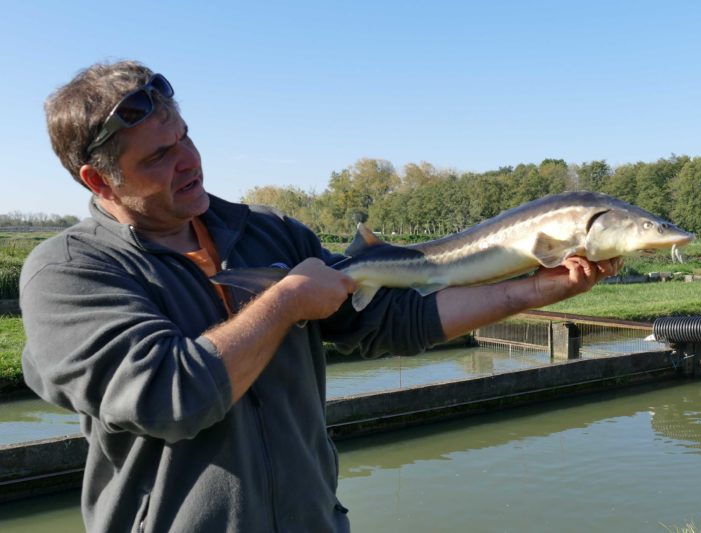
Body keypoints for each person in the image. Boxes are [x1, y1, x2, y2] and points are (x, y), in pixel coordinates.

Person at [21, 60, 619, 532]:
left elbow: (390, 320)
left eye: (184, 137)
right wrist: (285, 303)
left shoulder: (269, 233)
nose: (189, 161)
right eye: (158, 155)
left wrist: (533, 289)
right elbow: (169, 397)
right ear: (99, 180)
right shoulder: (68, 272)